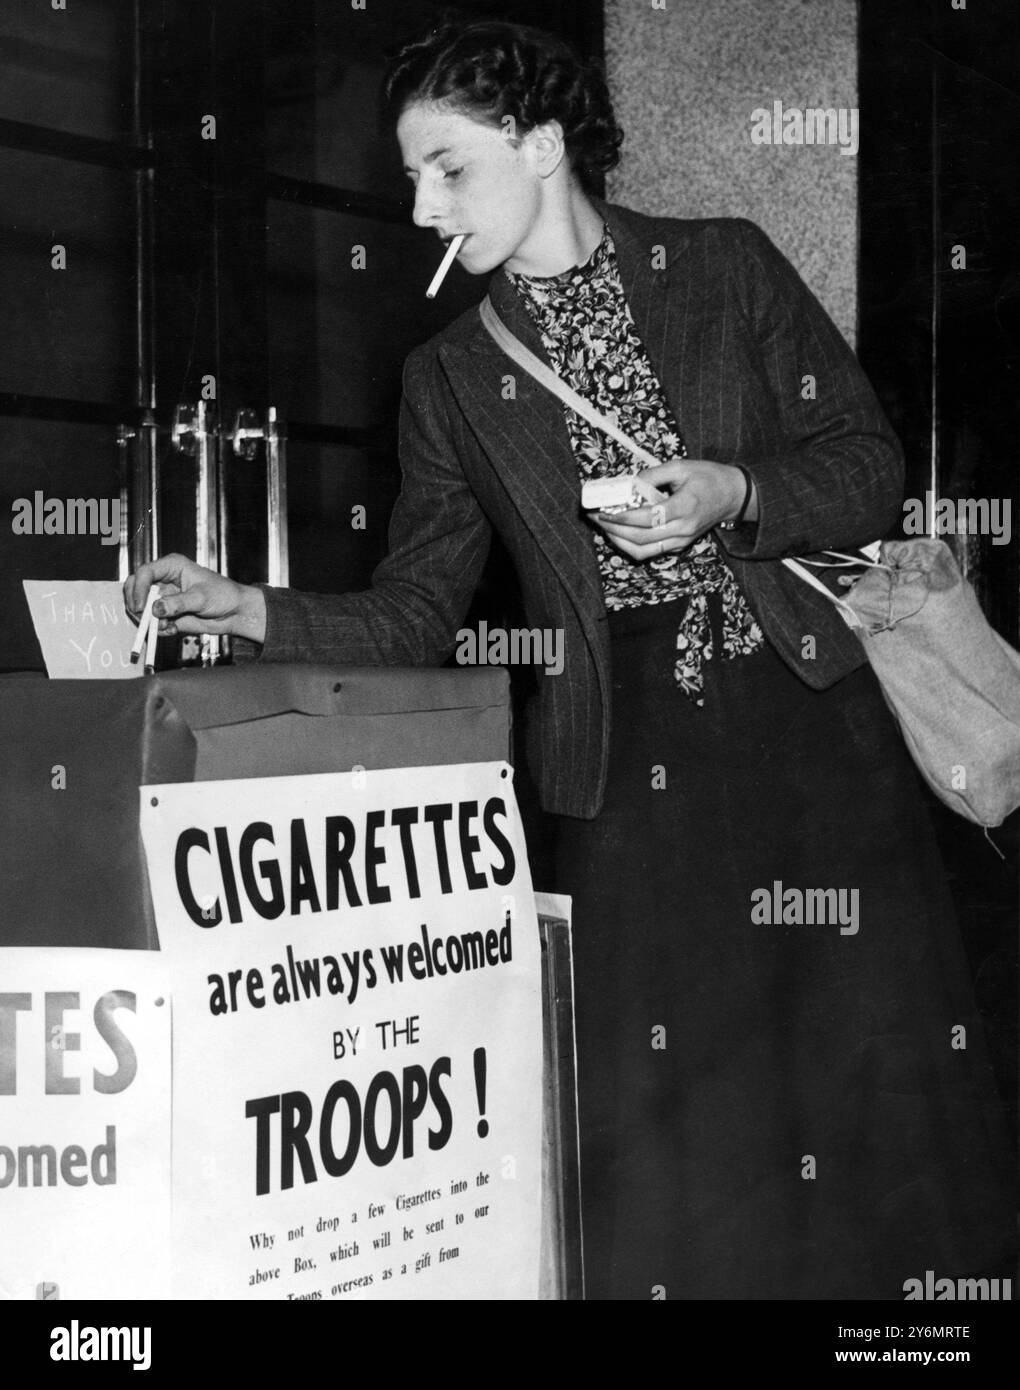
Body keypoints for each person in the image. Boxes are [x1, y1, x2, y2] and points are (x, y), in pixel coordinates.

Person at [125, 20, 1013, 1300]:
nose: (421, 207)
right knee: (677, 1129)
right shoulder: (451, 376)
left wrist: (733, 491)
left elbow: (866, 463)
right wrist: (246, 605)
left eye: (447, 168)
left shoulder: (725, 266)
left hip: (815, 731)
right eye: (412, 180)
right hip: (628, 755)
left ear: (541, 146)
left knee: (862, 1091)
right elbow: (417, 611)